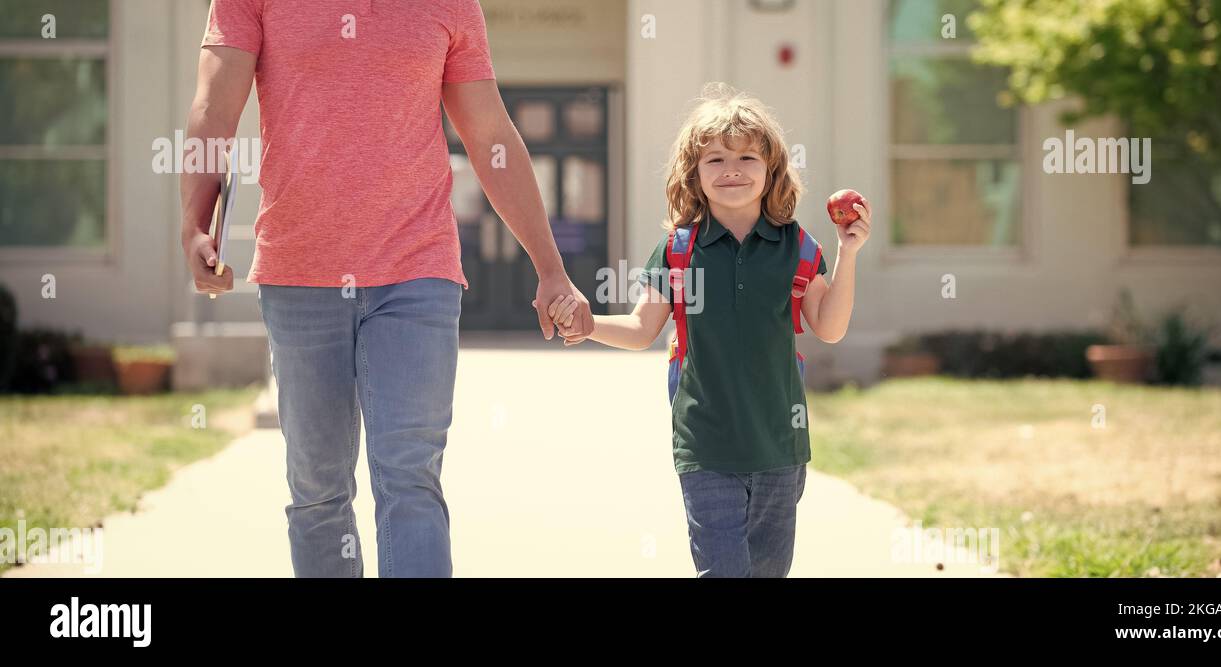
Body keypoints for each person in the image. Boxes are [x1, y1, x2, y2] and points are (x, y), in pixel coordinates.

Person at [178, 0, 592, 577]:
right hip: (300, 271)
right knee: (317, 486)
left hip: (416, 269)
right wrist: (196, 223)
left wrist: (550, 267)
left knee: (409, 476)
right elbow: (214, 107)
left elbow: (489, 133)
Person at [546, 84, 870, 577]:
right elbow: (640, 329)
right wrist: (587, 323)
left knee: (767, 571)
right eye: (715, 159)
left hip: (781, 443)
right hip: (705, 444)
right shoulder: (678, 249)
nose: (732, 169)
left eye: (747, 157)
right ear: (694, 174)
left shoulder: (798, 247)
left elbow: (828, 328)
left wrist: (848, 253)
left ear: (772, 171)